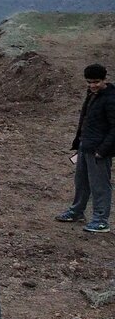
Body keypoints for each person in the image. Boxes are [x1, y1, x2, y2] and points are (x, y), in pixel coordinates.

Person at [55, 63, 114, 233]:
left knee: (99, 186)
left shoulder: (111, 99)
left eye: (96, 82)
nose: (92, 85)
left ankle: (101, 220)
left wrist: (102, 150)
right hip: (85, 146)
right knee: (81, 182)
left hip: (98, 151)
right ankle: (77, 212)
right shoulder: (92, 94)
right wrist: (79, 144)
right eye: (89, 82)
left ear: (104, 79)